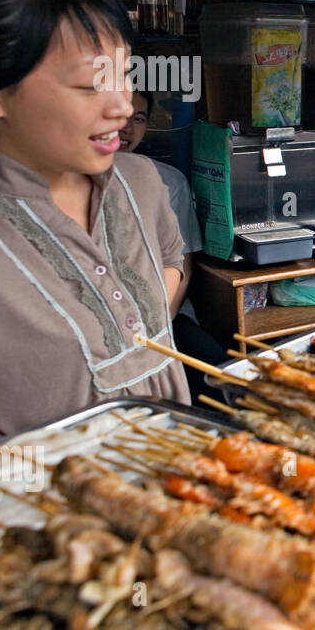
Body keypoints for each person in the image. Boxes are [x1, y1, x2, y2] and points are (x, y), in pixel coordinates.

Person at [0, 0, 190, 446]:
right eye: (89, 84)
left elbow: (169, 257)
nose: (122, 105)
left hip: (180, 490)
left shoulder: (139, 182)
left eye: (123, 74)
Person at [117, 85, 224, 401]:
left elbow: (181, 266)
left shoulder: (167, 181)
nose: (127, 128)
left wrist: (157, 328)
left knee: (222, 377)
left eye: (137, 118)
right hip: (108, 325)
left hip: (165, 316)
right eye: (121, 116)